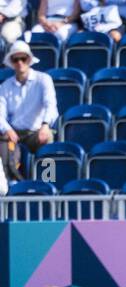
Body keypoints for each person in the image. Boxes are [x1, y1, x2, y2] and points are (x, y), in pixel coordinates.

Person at [0, 42, 58, 183]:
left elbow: (51, 105)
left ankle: (48, 181)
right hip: (13, 134)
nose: (20, 62)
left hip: (36, 132)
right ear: (12, 62)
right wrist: (7, 129)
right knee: (4, 143)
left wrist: (45, 125)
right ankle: (9, 184)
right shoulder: (5, 86)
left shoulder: (44, 79)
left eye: (23, 58)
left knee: (48, 139)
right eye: (16, 59)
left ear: (29, 60)